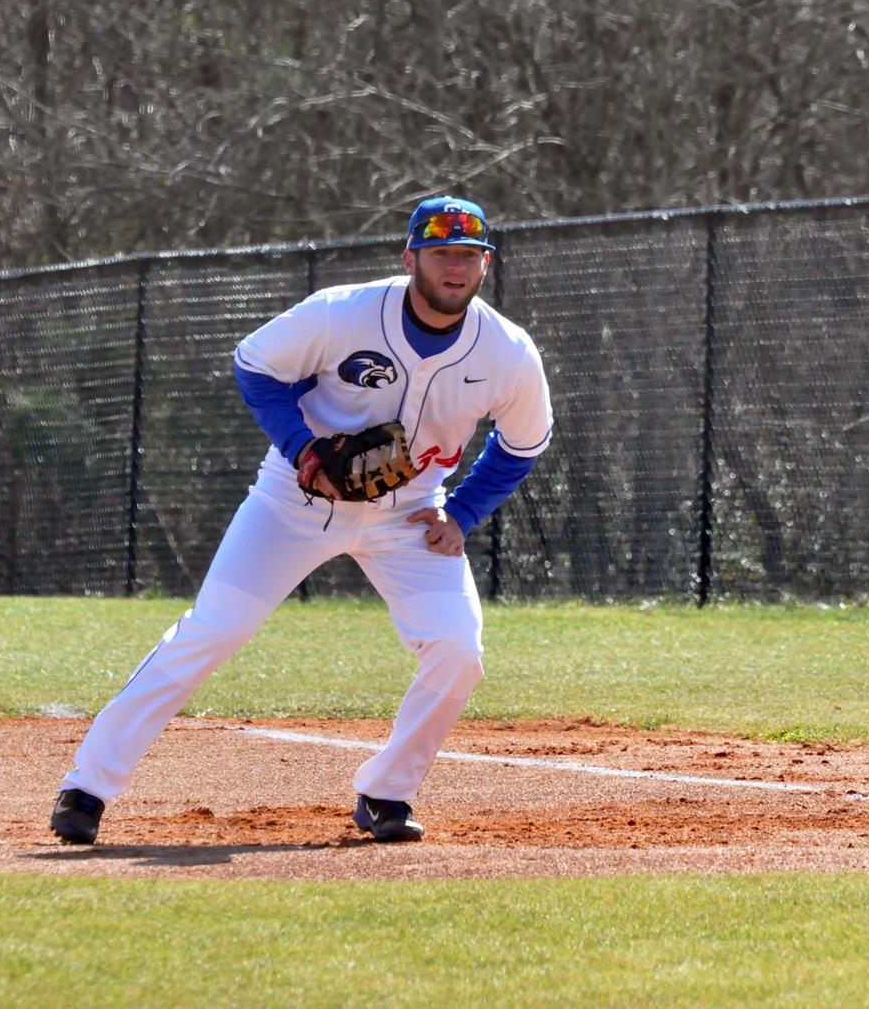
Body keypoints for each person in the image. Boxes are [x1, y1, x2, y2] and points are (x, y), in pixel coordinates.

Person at [51, 196, 553, 844]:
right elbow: (255, 364)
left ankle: (386, 792)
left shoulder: (508, 351)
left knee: (458, 648)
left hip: (409, 513)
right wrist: (303, 449)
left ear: (484, 264)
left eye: (468, 255)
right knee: (214, 628)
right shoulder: (343, 313)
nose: (455, 268)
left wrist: (463, 512)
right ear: (410, 259)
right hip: (294, 501)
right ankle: (87, 784)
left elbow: (524, 442)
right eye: (440, 253)